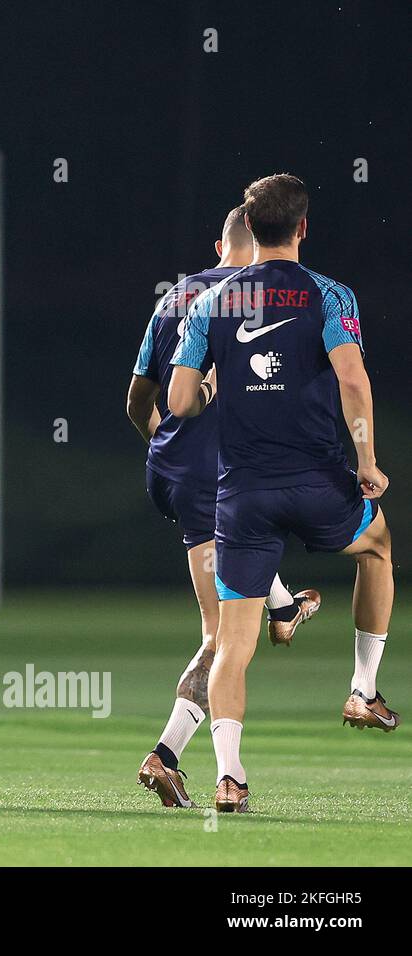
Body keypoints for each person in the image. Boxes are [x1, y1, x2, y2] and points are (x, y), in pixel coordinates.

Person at [169, 174, 397, 813]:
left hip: (242, 493)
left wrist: (215, 383)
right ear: (302, 228)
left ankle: (230, 777)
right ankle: (361, 688)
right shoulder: (326, 294)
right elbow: (353, 379)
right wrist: (367, 460)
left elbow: (180, 401)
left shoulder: (214, 301)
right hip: (318, 481)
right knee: (377, 547)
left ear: (250, 226)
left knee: (231, 645)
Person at [127, 204, 320, 808]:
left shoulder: (176, 297)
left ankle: (285, 601)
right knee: (223, 641)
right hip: (225, 479)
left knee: (221, 626)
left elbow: (138, 398)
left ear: (220, 245)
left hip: (174, 473)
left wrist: (169, 447)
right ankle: (198, 768)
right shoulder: (268, 300)